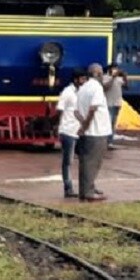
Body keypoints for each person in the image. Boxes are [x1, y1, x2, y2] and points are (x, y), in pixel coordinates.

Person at [76, 63, 112, 201]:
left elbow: (76, 111)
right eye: (102, 72)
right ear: (96, 73)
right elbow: (93, 109)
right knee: (93, 163)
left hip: (87, 133)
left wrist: (82, 126)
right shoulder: (96, 88)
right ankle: (89, 192)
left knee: (85, 162)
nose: (103, 75)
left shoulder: (83, 88)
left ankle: (84, 190)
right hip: (97, 132)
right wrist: (85, 126)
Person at [56, 69, 87, 198]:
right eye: (82, 79)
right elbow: (60, 110)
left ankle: (86, 186)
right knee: (68, 161)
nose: (84, 81)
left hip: (80, 131)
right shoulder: (67, 92)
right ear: (75, 80)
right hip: (68, 131)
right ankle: (68, 188)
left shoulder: (83, 92)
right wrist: (59, 127)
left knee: (85, 159)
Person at [101, 63, 128, 149]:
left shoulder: (119, 79)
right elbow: (105, 87)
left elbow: (126, 86)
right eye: (113, 68)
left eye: (116, 68)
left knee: (113, 124)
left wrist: (124, 76)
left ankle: (110, 142)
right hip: (108, 104)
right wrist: (112, 77)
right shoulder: (105, 77)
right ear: (110, 69)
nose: (115, 70)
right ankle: (105, 141)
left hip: (117, 104)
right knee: (108, 123)